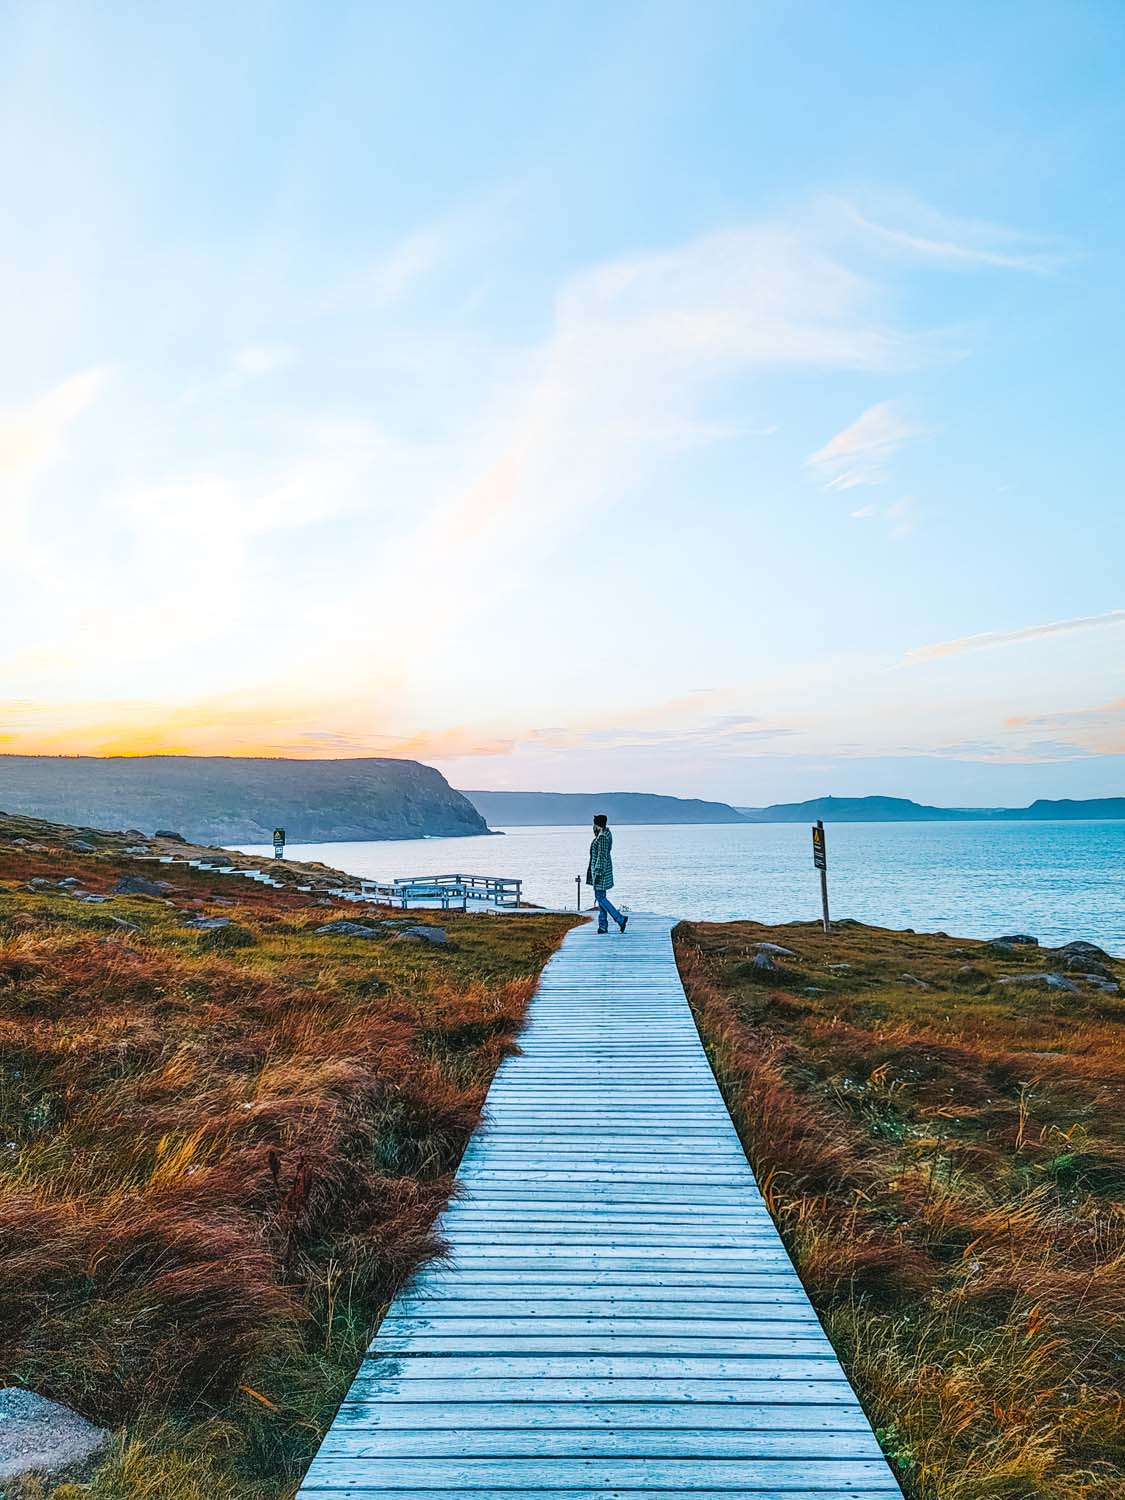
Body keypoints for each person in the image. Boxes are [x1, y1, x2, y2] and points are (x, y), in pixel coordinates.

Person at [585, 814, 627, 934]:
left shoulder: (602, 837)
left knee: (600, 898)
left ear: (597, 825)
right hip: (602, 872)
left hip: (601, 873)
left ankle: (620, 918)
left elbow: (601, 857)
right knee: (601, 897)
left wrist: (597, 873)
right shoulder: (605, 834)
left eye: (594, 824)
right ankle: (603, 925)